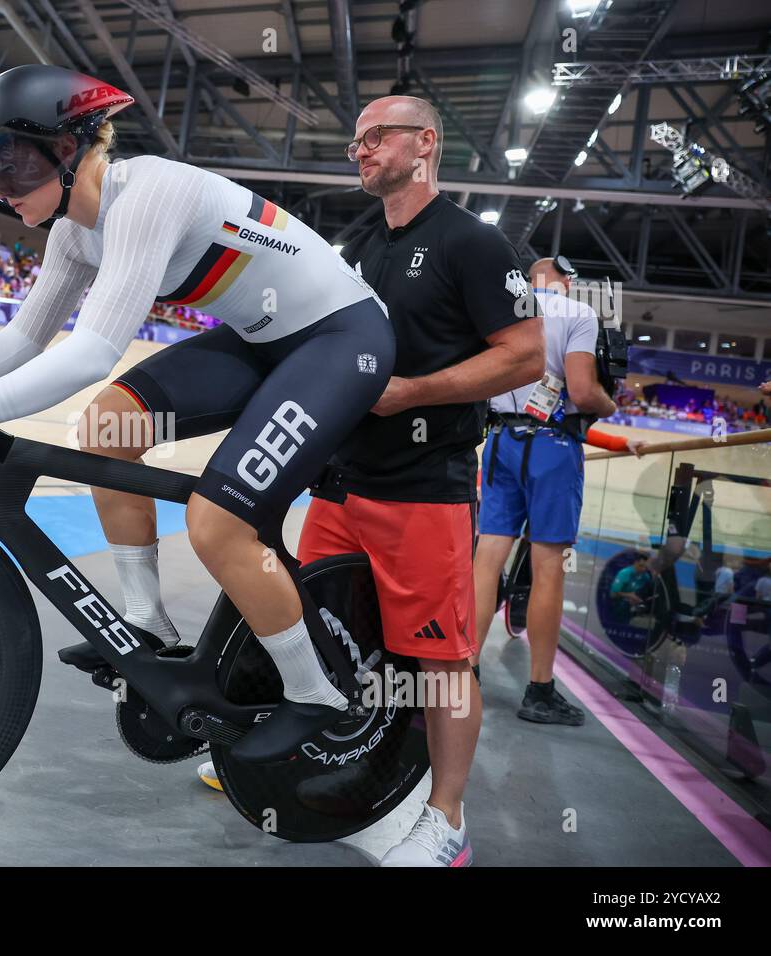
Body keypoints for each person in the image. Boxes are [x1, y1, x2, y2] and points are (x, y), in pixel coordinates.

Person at [0, 64, 395, 763]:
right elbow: (24, 339)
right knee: (107, 431)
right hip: (263, 339)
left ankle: (316, 696)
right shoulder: (74, 234)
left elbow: (88, 354)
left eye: (11, 167)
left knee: (216, 520)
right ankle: (148, 620)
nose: (2, 189)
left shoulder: (147, 194)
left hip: (341, 337)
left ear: (68, 148)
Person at [291, 95, 546, 865]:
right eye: (354, 141)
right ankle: (294, 760)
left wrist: (412, 392)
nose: (360, 151)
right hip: (341, 481)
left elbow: (524, 357)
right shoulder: (364, 243)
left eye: (375, 137)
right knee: (322, 632)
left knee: (439, 663)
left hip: (422, 486)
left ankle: (447, 820)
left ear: (424, 143)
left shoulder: (473, 242)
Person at [471, 255, 619, 728]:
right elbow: (583, 389)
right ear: (568, 282)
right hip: (553, 445)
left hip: (499, 442)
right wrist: (609, 402)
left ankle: (464, 673)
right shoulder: (577, 314)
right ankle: (539, 690)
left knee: (487, 557)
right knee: (548, 564)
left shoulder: (505, 309)